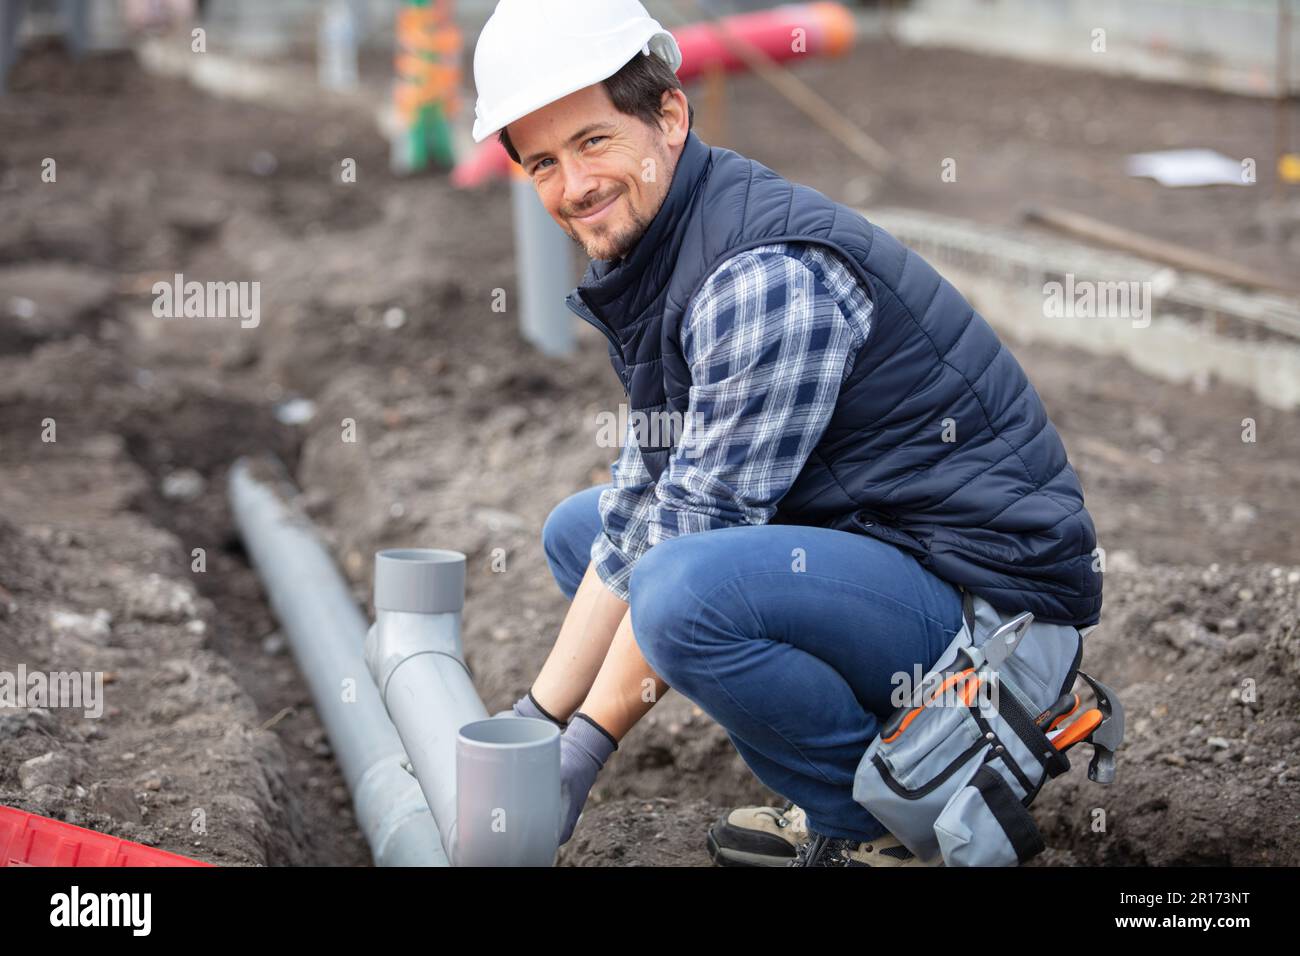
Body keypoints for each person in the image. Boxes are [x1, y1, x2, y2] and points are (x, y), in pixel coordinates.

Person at [475, 0, 1102, 867]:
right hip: (888, 554)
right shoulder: (661, 245)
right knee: (582, 536)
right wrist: (534, 722)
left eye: (592, 142)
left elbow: (698, 527)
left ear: (668, 116)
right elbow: (642, 503)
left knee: (679, 596)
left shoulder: (756, 277)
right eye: (542, 162)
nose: (572, 185)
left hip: (990, 618)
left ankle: (872, 826)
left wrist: (583, 748)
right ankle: (859, 781)